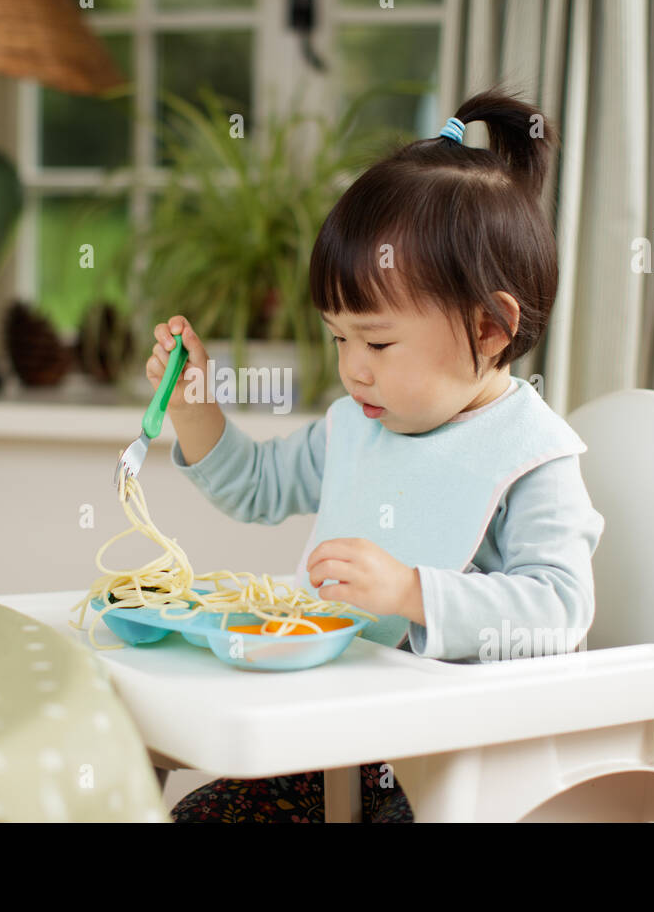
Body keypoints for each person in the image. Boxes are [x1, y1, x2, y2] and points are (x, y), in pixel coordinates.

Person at [144, 87, 605, 823]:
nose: (353, 368)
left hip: (452, 768)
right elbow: (256, 488)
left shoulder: (534, 456)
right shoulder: (357, 425)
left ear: (489, 327)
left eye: (379, 342)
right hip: (335, 741)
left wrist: (411, 593)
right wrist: (195, 406)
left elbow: (560, 609)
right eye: (339, 339)